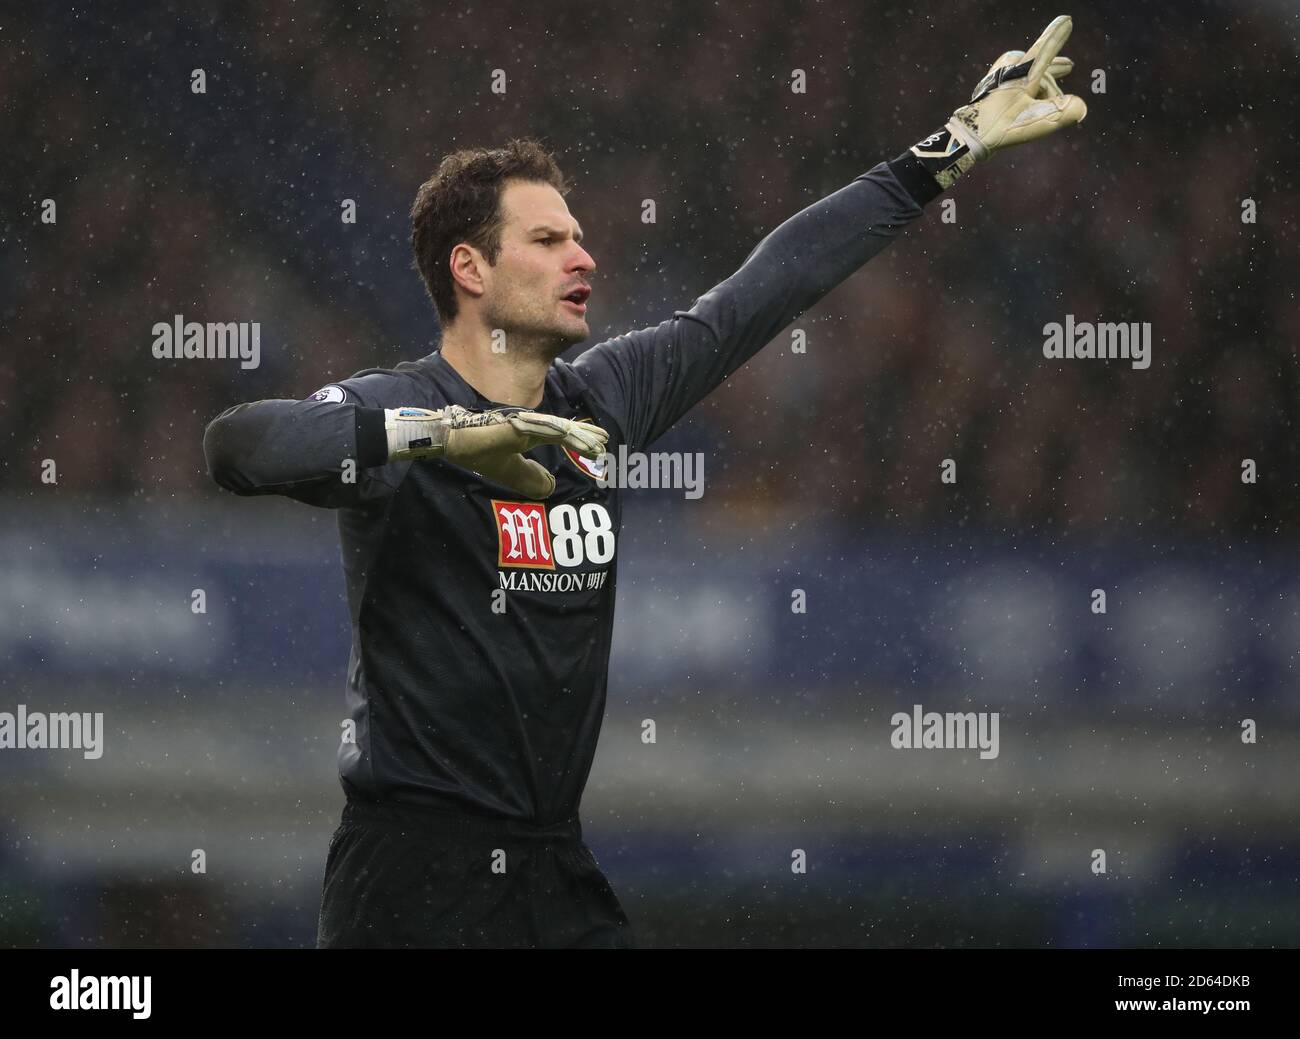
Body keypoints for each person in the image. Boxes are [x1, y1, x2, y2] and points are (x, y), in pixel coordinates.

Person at [202, 17, 1085, 948]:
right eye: (548, 241)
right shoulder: (400, 409)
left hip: (553, 867)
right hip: (413, 878)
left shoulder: (605, 398)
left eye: (579, 237)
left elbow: (768, 288)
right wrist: (444, 436)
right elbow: (240, 447)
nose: (584, 257)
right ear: (470, 268)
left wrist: (947, 149)